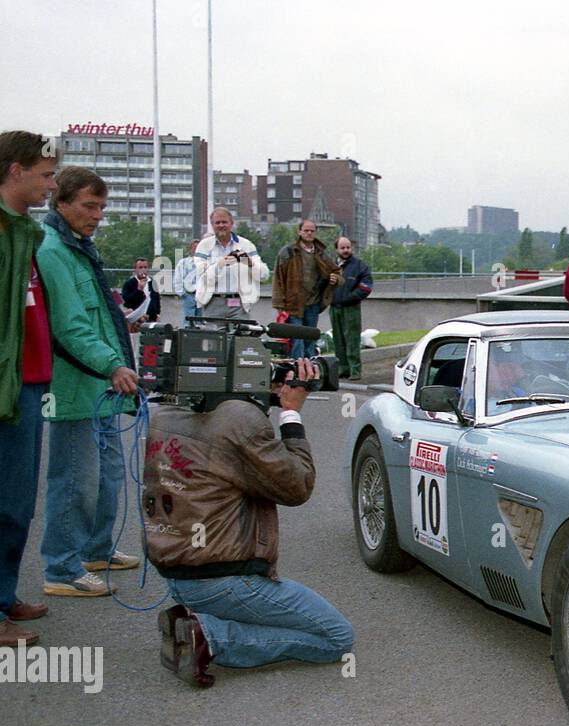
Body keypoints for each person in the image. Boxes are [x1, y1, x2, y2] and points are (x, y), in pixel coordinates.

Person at [146, 357, 353, 688]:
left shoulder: (165, 413)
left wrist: (262, 399)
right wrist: (290, 412)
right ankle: (210, 635)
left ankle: (194, 621)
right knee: (336, 637)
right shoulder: (239, 420)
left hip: (178, 576)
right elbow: (297, 486)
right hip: (225, 580)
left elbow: (227, 442)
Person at [36, 166, 141, 597]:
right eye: (88, 206)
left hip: (100, 386)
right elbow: (70, 326)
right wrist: (113, 365)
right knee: (74, 479)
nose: (97, 215)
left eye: (101, 207)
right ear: (60, 203)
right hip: (76, 386)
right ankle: (61, 569)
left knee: (107, 475)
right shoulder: (53, 250)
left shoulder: (79, 247)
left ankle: (95, 549)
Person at [0, 131, 58, 644]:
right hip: (5, 386)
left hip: (28, 383)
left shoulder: (26, 232)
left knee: (17, 502)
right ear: (14, 171)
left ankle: (3, 595)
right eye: (44, 175)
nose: (50, 184)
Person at [272, 219, 339, 358]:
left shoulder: (321, 253)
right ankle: (297, 368)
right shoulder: (288, 252)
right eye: (306, 230)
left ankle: (310, 368)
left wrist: (336, 279)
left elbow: (336, 271)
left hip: (313, 303)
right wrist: (279, 304)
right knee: (297, 339)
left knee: (310, 338)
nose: (309, 233)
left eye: (312, 231)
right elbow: (278, 278)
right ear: (299, 232)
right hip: (293, 304)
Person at [194, 207, 268, 323]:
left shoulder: (246, 245)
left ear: (231, 223)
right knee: (214, 339)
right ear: (212, 225)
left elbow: (263, 276)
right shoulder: (204, 246)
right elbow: (201, 276)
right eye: (217, 222)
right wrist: (219, 265)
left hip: (239, 303)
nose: (221, 225)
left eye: (224, 222)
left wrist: (250, 263)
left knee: (240, 339)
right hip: (213, 302)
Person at [329, 236, 372, 380]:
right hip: (334, 307)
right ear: (337, 250)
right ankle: (343, 368)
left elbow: (366, 287)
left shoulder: (360, 266)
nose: (346, 250)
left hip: (351, 308)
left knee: (352, 339)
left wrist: (350, 297)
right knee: (338, 339)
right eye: (342, 248)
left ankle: (355, 370)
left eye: (348, 247)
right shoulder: (331, 266)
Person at [120, 256, 160, 323]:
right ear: (135, 269)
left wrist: (157, 313)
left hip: (151, 317)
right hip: (136, 320)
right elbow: (127, 301)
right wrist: (139, 290)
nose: (143, 270)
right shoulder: (129, 283)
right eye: (140, 267)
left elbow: (156, 299)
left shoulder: (152, 283)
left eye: (145, 267)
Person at [173, 239, 199, 325]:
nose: (196, 250)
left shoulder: (205, 262)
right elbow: (178, 277)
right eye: (194, 247)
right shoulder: (183, 263)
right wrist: (182, 293)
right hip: (189, 294)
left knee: (200, 320)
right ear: (190, 249)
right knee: (188, 321)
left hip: (201, 295)